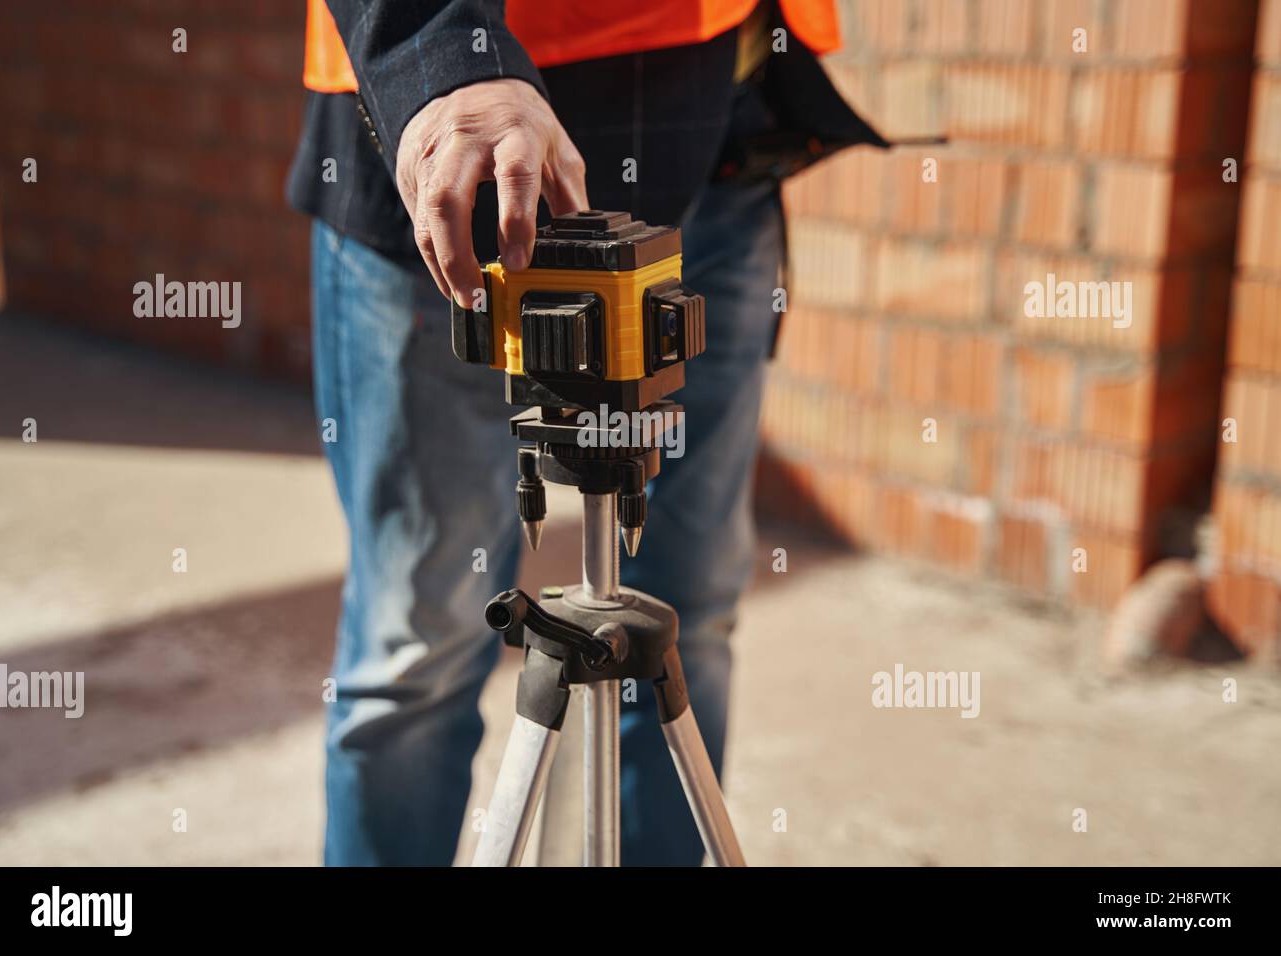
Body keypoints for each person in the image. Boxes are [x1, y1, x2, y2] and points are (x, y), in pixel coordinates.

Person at [286, 0, 884, 866]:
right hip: (461, 156)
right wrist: (437, 49)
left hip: (714, 127)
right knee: (417, 649)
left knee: (693, 609)